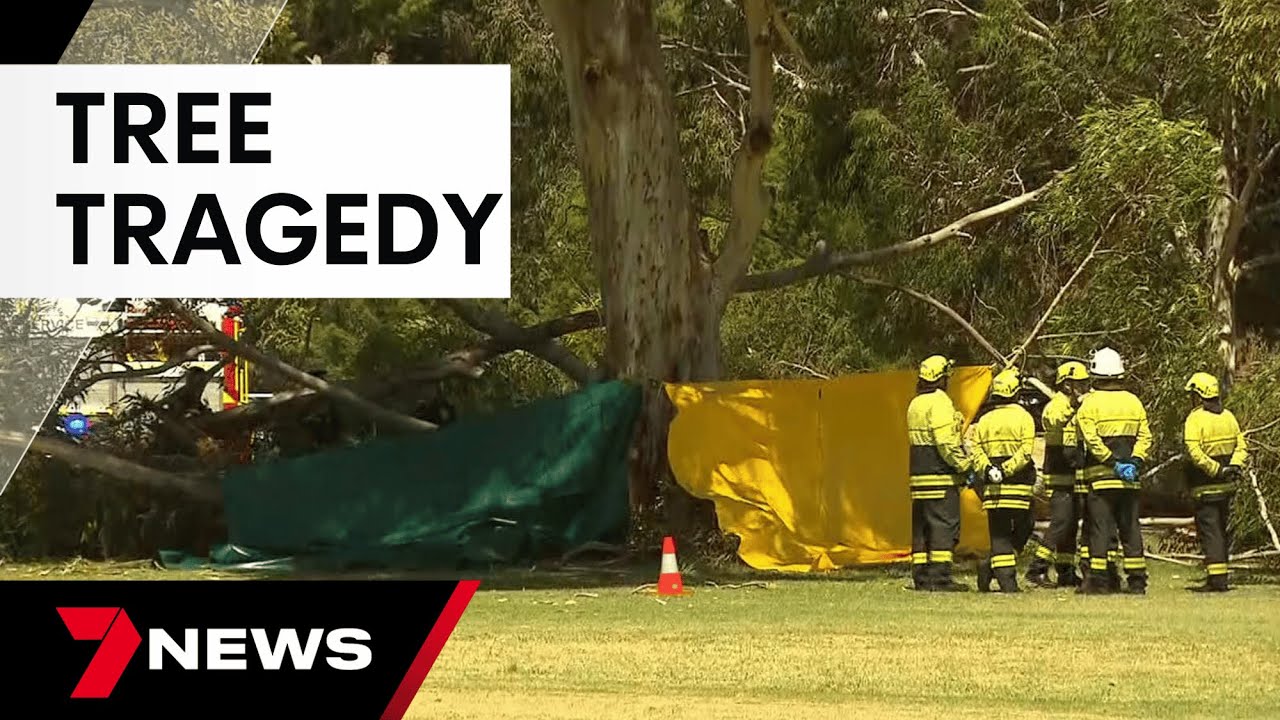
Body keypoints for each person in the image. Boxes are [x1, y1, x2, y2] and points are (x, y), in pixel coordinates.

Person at [1074, 347, 1153, 595]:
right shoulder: (1134, 402)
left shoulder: (1090, 404)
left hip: (1101, 478)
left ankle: (1099, 581)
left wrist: (1111, 462)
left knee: (1101, 529)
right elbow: (1145, 436)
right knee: (1130, 529)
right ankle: (1137, 581)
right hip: (1129, 480)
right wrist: (1135, 461)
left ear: (1095, 374)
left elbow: (1091, 440)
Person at [907, 354, 973, 592]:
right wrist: (964, 466)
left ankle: (922, 578)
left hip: (918, 477)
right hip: (940, 477)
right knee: (944, 528)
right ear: (942, 378)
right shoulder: (940, 401)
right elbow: (946, 443)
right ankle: (941, 578)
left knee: (922, 529)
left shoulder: (915, 403)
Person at [970, 368, 1038, 593]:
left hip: (993, 489)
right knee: (1024, 526)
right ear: (1016, 393)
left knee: (999, 534)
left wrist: (990, 469)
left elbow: (976, 451)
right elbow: (1025, 453)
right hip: (1019, 487)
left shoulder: (984, 420)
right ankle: (1007, 581)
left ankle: (989, 565)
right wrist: (1006, 469)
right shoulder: (1024, 417)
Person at [1025, 361, 1090, 588]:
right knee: (1061, 522)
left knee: (1071, 524)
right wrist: (1072, 405)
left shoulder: (1081, 405)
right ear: (1066, 384)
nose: (1083, 387)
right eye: (1079, 383)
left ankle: (1065, 570)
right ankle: (1037, 568)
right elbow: (1052, 422)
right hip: (1059, 472)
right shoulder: (1057, 405)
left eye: (1085, 382)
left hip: (1074, 471)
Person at [1182, 372, 1248, 593]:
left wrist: (1216, 470)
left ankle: (1217, 579)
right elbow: (1241, 445)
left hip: (1205, 486)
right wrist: (1234, 467)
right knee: (1222, 530)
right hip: (1228, 486)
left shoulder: (1195, 419)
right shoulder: (1229, 416)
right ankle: (1221, 574)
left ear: (1198, 395)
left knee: (1211, 532)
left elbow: (1194, 452)